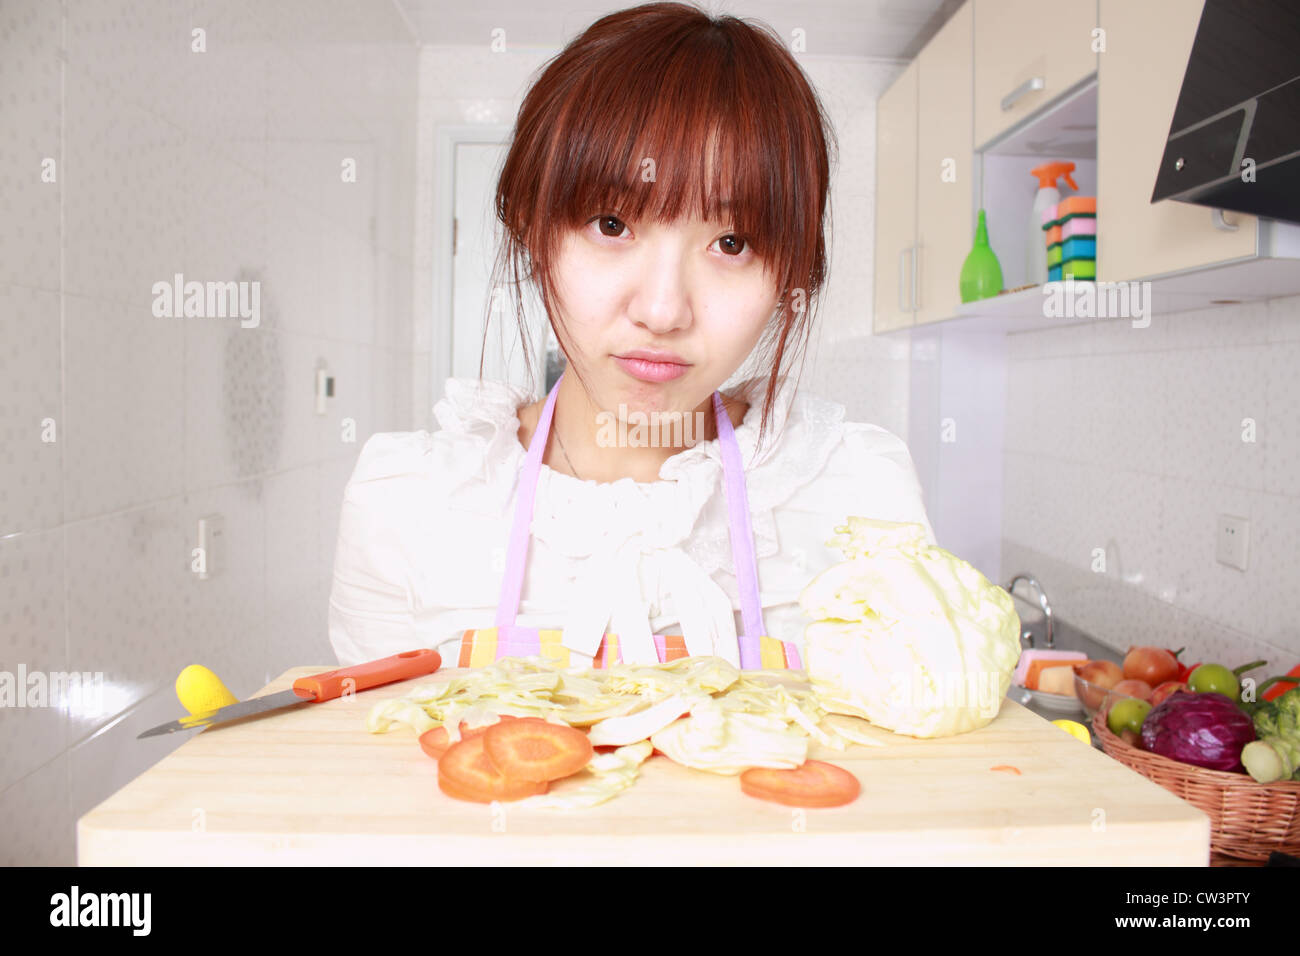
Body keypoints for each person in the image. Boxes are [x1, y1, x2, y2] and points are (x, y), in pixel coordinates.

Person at [328, 1, 935, 669]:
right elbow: (379, 764)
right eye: (611, 224)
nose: (663, 309)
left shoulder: (857, 495)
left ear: (791, 272)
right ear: (533, 231)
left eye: (731, 242)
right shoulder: (405, 505)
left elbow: (906, 764)